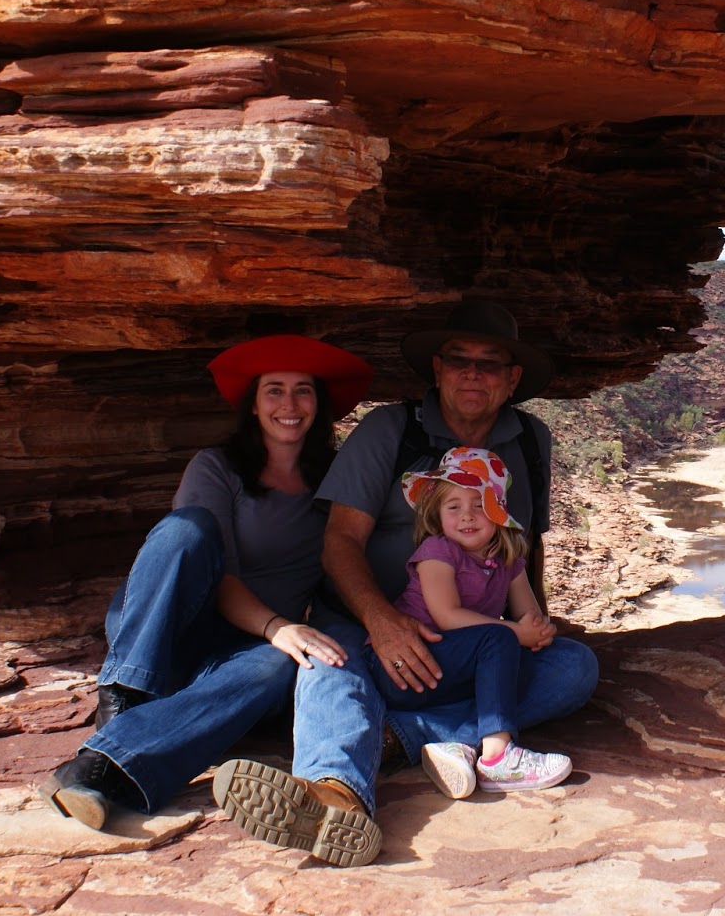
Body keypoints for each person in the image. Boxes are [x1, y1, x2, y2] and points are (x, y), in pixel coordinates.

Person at [214, 301, 598, 866]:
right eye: (459, 360)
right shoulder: (389, 430)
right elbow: (340, 541)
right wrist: (383, 621)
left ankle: (401, 738)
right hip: (373, 614)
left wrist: (532, 622)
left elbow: (525, 545)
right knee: (329, 661)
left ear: (512, 379)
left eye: (489, 364)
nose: (472, 373)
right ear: (437, 370)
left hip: (475, 636)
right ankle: (335, 795)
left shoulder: (530, 439)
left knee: (573, 666)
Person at [39, 334, 374, 848]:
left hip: (246, 650)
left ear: (319, 403)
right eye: (274, 390)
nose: (289, 405)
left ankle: (103, 768)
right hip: (172, 627)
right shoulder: (216, 466)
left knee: (286, 662)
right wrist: (277, 625)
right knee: (186, 529)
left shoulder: (335, 481)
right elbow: (216, 577)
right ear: (253, 403)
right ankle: (126, 696)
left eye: (303, 391)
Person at [383, 446, 572, 797]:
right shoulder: (438, 551)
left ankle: (456, 741)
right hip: (411, 666)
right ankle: (497, 757)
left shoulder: (508, 555)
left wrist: (539, 631)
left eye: (479, 505)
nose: (467, 517)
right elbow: (446, 616)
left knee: (574, 664)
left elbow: (527, 614)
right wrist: (517, 633)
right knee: (497, 638)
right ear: (438, 515)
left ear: (498, 511)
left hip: (463, 671)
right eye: (453, 507)